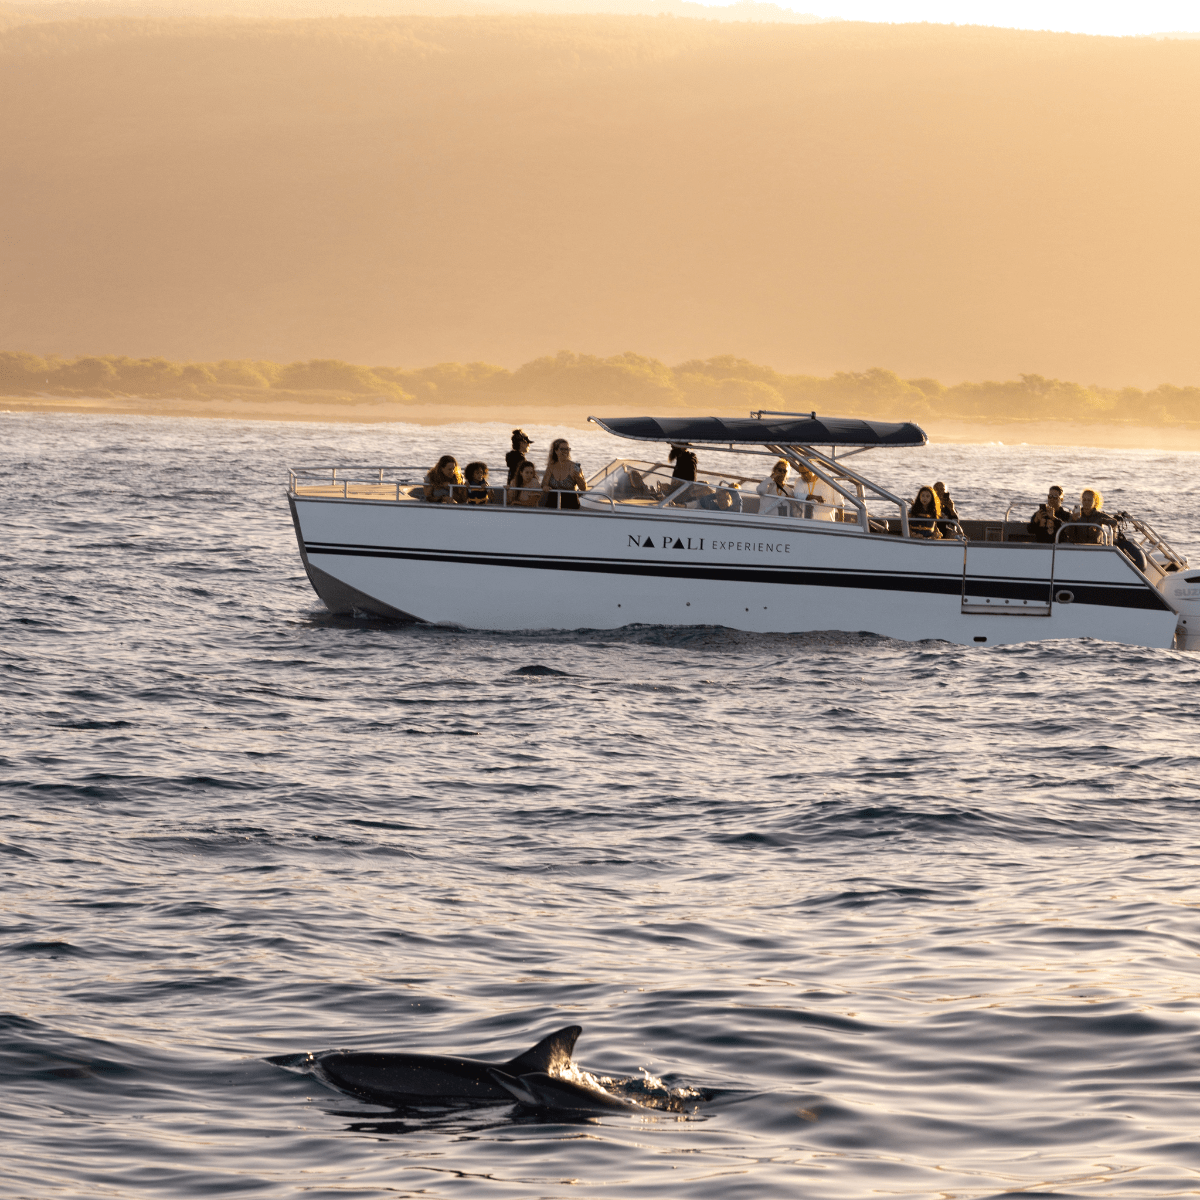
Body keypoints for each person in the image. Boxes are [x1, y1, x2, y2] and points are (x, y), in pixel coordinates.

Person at [541, 438, 586, 509]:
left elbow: (583, 488)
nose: (565, 451)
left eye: (567, 449)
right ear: (556, 451)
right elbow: (544, 484)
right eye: (562, 449)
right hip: (553, 502)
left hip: (570, 503)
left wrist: (578, 477)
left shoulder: (574, 466)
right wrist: (545, 487)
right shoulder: (551, 466)